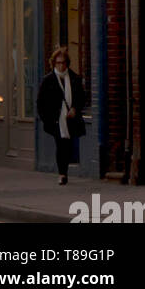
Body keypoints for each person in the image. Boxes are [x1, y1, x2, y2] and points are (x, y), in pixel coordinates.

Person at [37, 46, 87, 186]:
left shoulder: (74, 78)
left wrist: (75, 109)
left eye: (63, 62)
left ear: (67, 63)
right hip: (56, 120)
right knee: (61, 145)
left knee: (68, 145)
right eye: (58, 63)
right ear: (54, 63)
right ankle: (62, 174)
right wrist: (48, 118)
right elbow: (41, 102)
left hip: (71, 119)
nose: (61, 65)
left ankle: (63, 171)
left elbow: (82, 97)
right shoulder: (48, 80)